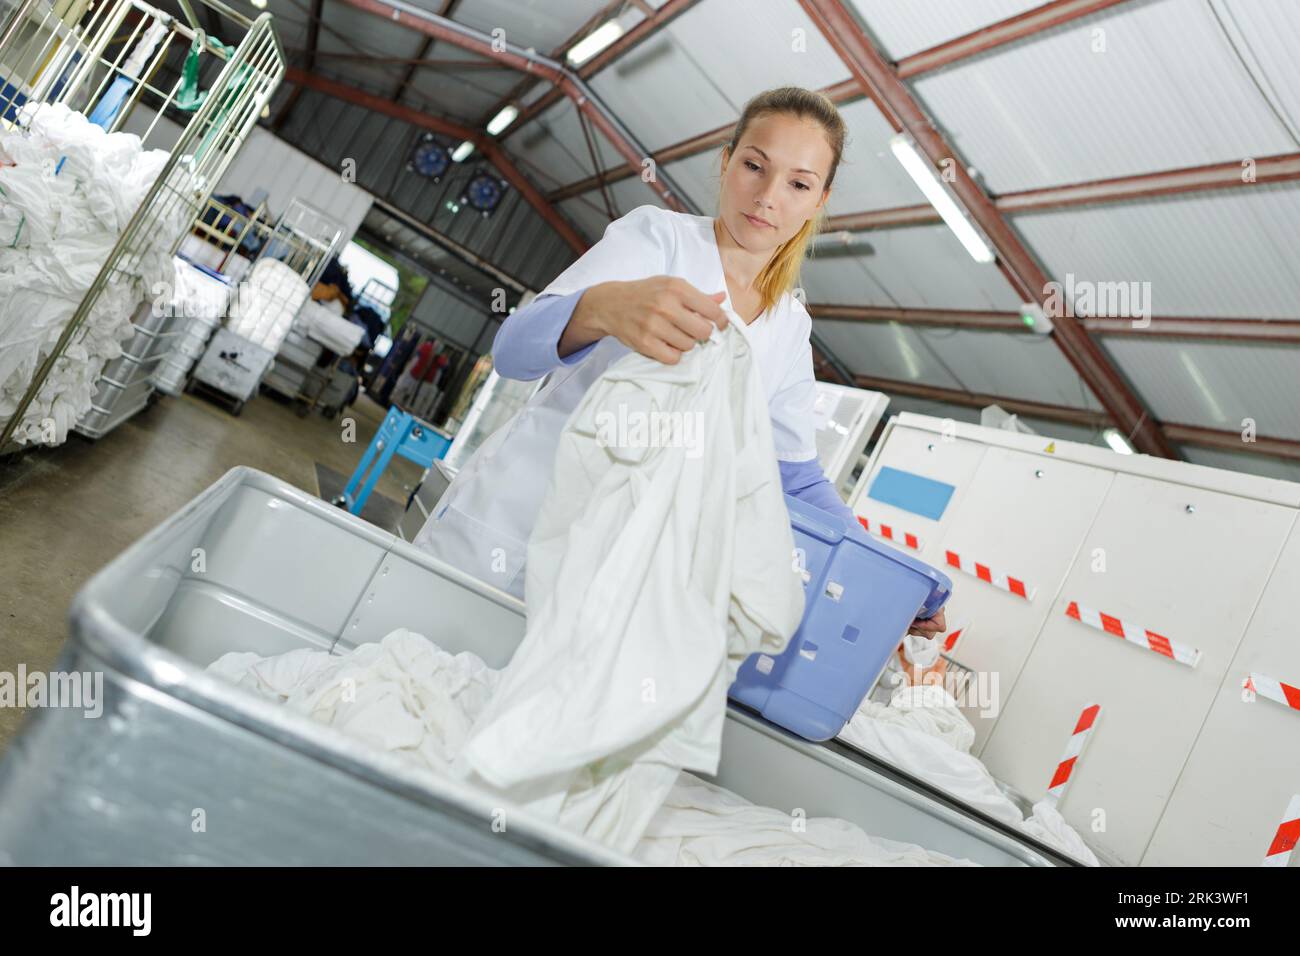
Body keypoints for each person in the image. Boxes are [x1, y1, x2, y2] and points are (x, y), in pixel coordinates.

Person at [413, 86, 944, 641]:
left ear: (819, 200)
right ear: (726, 161)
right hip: (513, 522)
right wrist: (599, 309)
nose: (767, 197)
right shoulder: (657, 240)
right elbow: (513, 352)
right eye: (754, 166)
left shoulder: (789, 327)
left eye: (798, 184)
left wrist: (885, 576)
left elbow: (796, 477)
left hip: (614, 580)